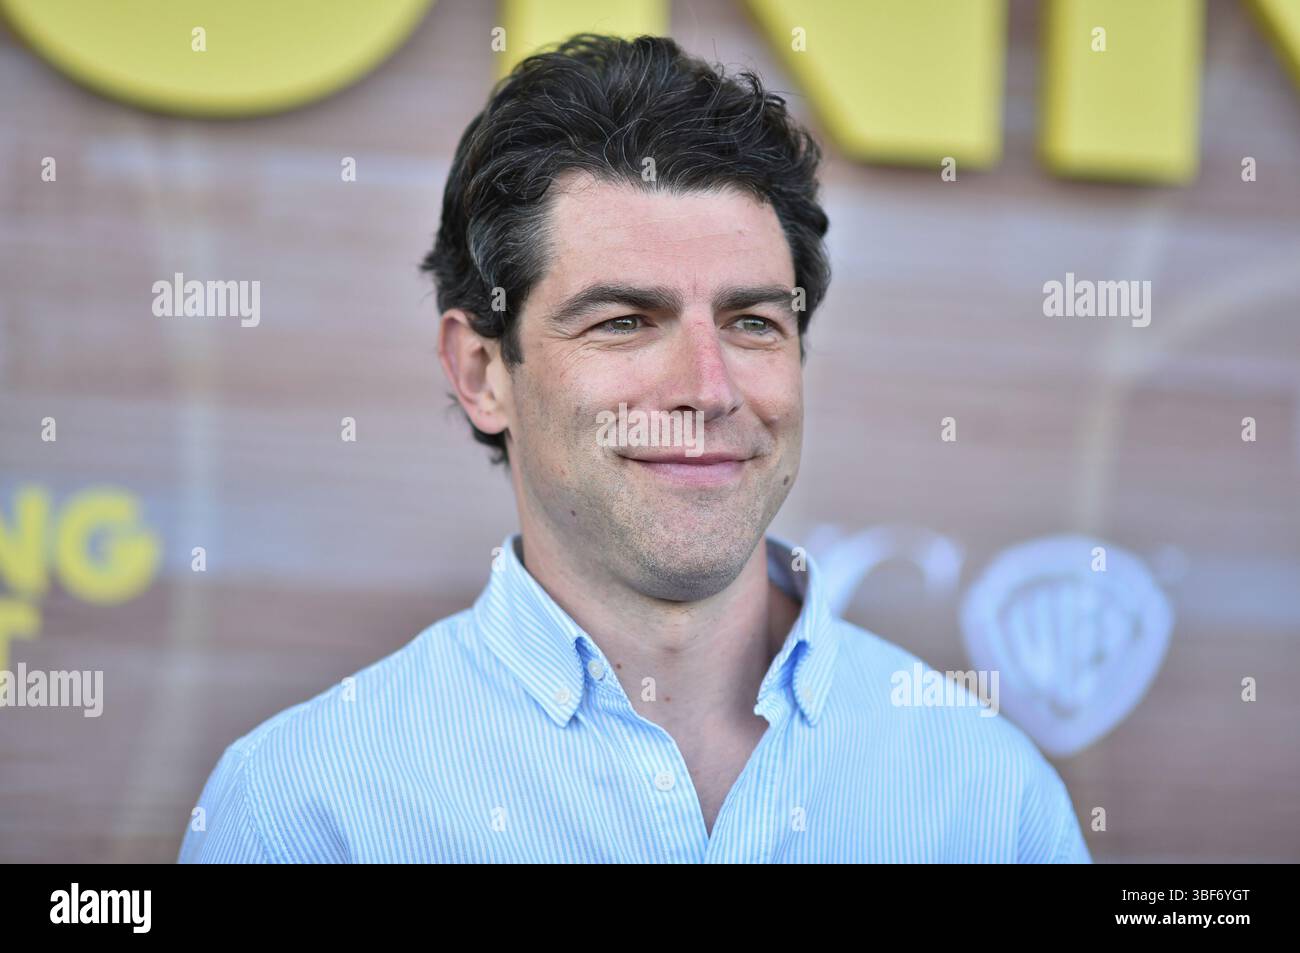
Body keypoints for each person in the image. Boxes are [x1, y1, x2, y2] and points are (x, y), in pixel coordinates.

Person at [179, 33, 1090, 863]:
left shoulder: (991, 802)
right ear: (483, 371)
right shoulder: (305, 813)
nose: (708, 385)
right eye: (623, 321)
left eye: (752, 321)